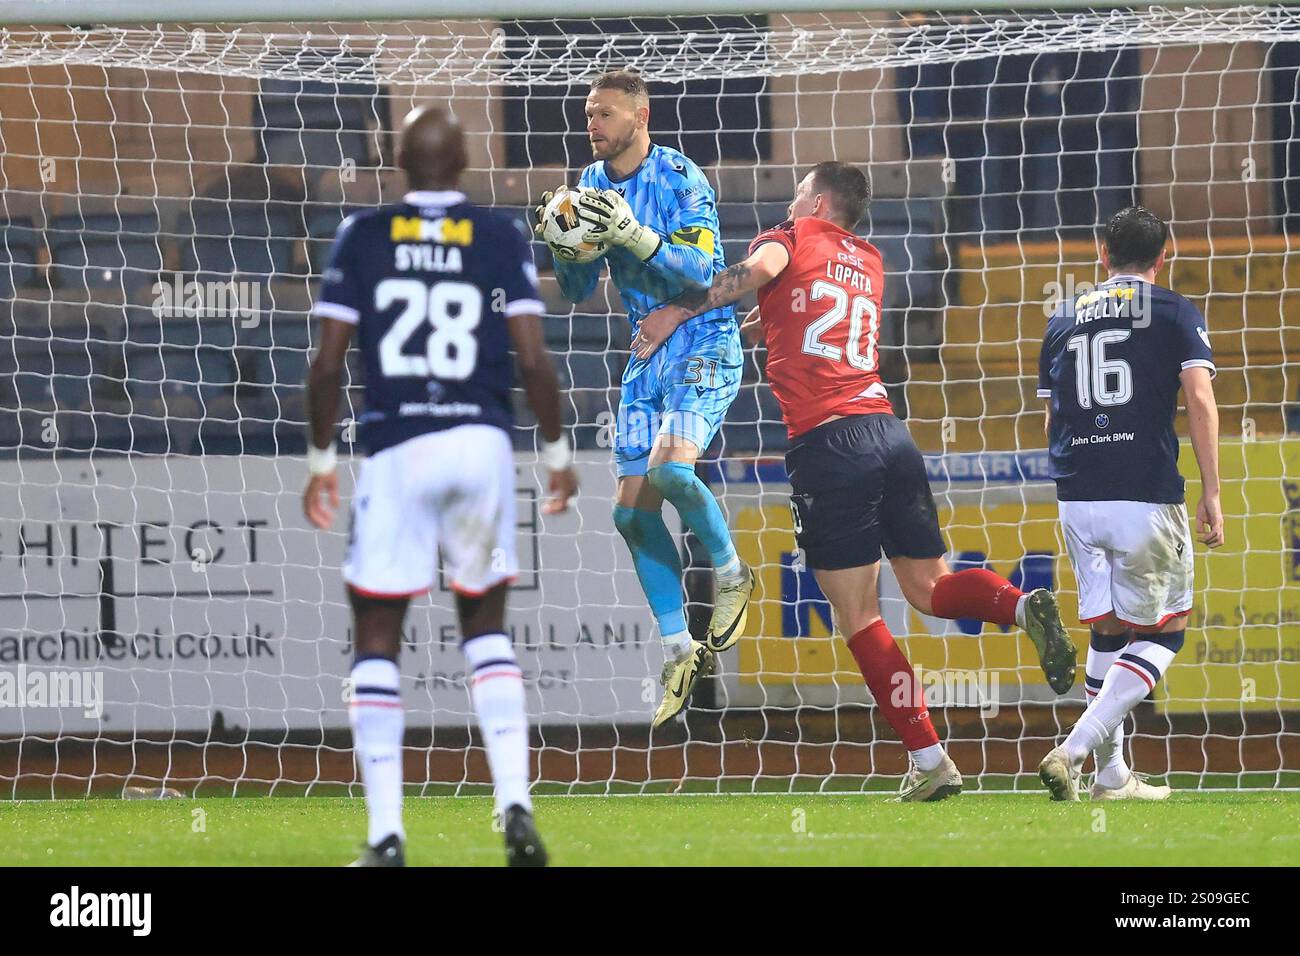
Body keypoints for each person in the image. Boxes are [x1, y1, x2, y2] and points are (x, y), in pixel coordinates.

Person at [634, 162, 1077, 800]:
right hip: (889, 432)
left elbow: (749, 277)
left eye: (798, 193)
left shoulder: (787, 237)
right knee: (931, 588)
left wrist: (679, 311)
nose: (791, 201)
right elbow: (797, 310)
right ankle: (1018, 604)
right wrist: (742, 329)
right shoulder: (869, 260)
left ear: (815, 199)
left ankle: (931, 764)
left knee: (860, 617)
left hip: (828, 442)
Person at [303, 105, 578, 864]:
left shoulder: (363, 235)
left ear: (398, 162)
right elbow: (533, 359)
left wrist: (322, 462)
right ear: (461, 164)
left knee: (377, 635)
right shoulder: (497, 234)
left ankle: (388, 834)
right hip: (479, 447)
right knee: (486, 628)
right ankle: (517, 807)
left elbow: (326, 365)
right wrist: (556, 450)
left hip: (398, 448)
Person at [536, 69, 753, 727]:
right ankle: (678, 648)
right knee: (630, 515)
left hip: (704, 339)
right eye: (587, 115)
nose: (592, 125)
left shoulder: (682, 177)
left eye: (604, 114)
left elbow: (704, 272)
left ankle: (734, 575)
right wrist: (563, 247)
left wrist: (634, 236)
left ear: (641, 114)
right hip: (646, 355)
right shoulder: (591, 185)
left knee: (669, 469)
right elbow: (576, 293)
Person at [1036, 206, 1224, 801]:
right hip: (1142, 490)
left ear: (1102, 254)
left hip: (1076, 495)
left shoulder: (1063, 315)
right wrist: (1212, 490)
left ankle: (1111, 777)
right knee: (1166, 631)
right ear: (1164, 256)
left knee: (1109, 630)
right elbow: (1199, 398)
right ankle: (1075, 748)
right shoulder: (1172, 311)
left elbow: (1052, 414)